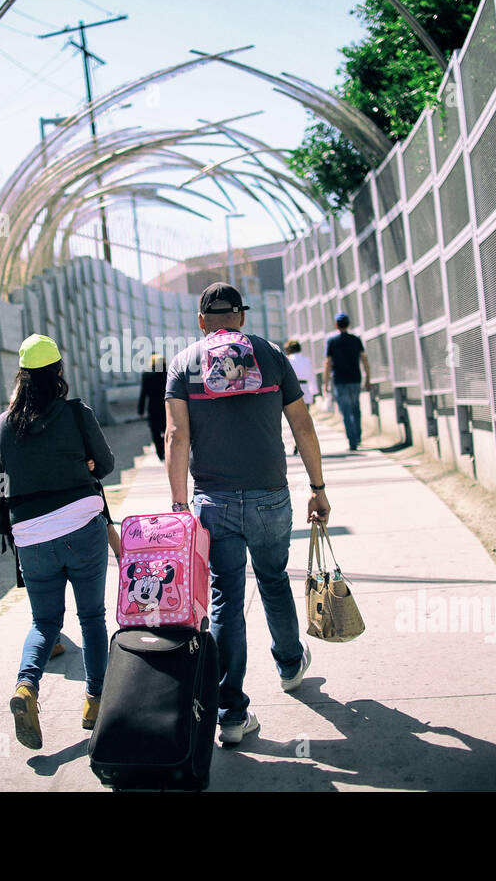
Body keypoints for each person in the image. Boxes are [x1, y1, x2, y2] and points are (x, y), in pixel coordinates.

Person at [164, 282, 330, 746]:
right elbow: (302, 425)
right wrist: (317, 488)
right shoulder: (271, 355)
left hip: (213, 502)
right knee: (275, 578)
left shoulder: (183, 363)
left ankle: (232, 713)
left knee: (225, 599)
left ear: (202, 321)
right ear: (240, 317)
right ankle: (290, 663)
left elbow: (176, 437)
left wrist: (180, 508)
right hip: (271, 497)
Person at [0, 333, 115, 750]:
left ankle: (25, 689)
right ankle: (94, 701)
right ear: (58, 373)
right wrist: (81, 463)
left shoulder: (4, 424)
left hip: (31, 538)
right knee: (91, 618)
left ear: (21, 376)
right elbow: (105, 465)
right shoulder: (76, 414)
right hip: (81, 528)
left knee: (44, 622)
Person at [324, 312, 372, 451]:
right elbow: (364, 359)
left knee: (345, 411)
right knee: (355, 408)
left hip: (340, 380)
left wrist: (326, 383)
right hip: (355, 379)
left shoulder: (332, 341)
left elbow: (328, 363)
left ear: (336, 325)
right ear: (348, 324)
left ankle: (352, 442)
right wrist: (368, 378)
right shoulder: (356, 340)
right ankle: (357, 436)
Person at [283, 339, 316, 456]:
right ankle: (303, 444)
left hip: (292, 389)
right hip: (305, 389)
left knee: (293, 420)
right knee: (304, 419)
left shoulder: (287, 360)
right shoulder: (307, 361)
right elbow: (312, 377)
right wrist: (314, 392)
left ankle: (294, 442)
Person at [137, 353, 169, 460]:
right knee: (167, 430)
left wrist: (140, 410)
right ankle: (168, 450)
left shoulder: (147, 375)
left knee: (155, 432)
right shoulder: (169, 374)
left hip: (153, 409)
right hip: (167, 408)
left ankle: (160, 454)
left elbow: (143, 394)